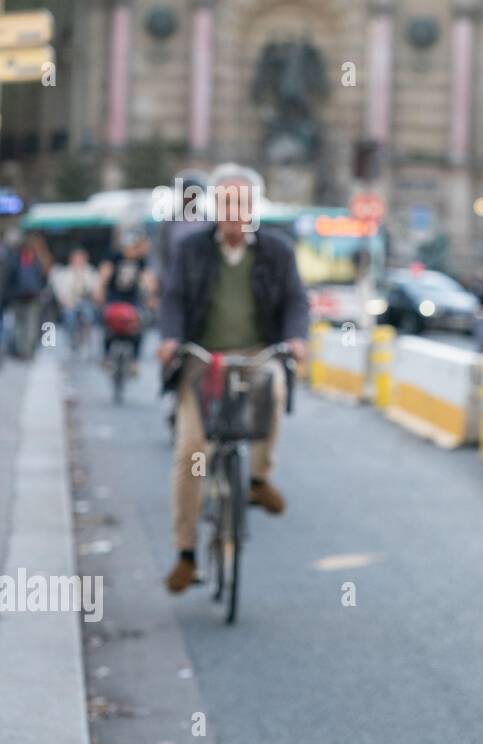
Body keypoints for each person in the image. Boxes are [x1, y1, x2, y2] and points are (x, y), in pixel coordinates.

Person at [156, 164, 309, 593]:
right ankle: (186, 553)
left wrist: (296, 339)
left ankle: (258, 480)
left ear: (254, 208)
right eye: (225, 203)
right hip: (202, 358)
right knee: (191, 452)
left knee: (274, 385)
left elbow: (297, 301)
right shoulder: (191, 249)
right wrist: (169, 339)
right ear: (214, 207)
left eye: (241, 203)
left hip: (256, 354)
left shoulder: (278, 252)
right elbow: (173, 299)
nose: (233, 213)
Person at [96, 231, 156, 373]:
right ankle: (106, 356)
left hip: (132, 299)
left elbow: (148, 280)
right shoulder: (115, 257)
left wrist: (151, 295)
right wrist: (99, 290)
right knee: (107, 326)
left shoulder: (141, 261)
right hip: (114, 297)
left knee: (139, 325)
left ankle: (134, 361)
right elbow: (104, 274)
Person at [2, 231, 53, 359]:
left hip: (24, 296)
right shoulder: (37, 258)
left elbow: (9, 276)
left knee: (22, 324)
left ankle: (23, 350)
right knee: (28, 324)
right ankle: (26, 350)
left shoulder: (18, 256)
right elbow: (45, 277)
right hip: (28, 296)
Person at [51, 247, 100, 357]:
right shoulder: (65, 273)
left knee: (89, 314)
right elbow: (60, 291)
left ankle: (87, 339)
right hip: (70, 302)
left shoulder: (90, 272)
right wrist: (66, 301)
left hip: (86, 301)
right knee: (69, 316)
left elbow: (95, 289)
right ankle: (71, 339)